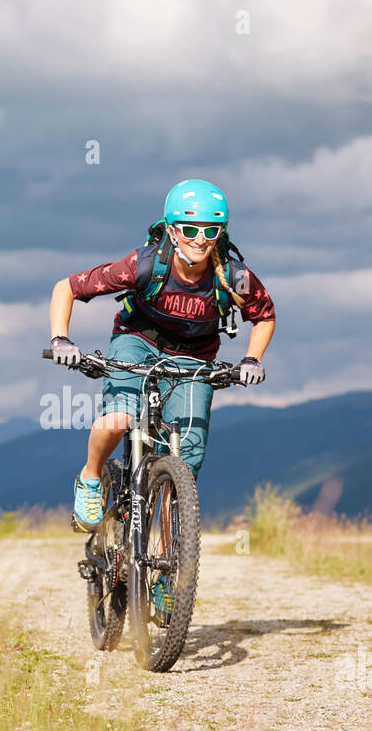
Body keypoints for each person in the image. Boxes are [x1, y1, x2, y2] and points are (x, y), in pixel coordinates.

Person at [48, 179, 276, 532]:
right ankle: (90, 477)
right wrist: (61, 339)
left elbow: (264, 317)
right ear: (172, 230)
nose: (200, 239)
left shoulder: (235, 276)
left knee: (185, 461)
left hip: (195, 358)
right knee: (119, 417)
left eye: (211, 231)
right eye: (190, 229)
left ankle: (167, 578)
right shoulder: (144, 265)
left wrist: (251, 359)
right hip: (136, 341)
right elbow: (67, 288)